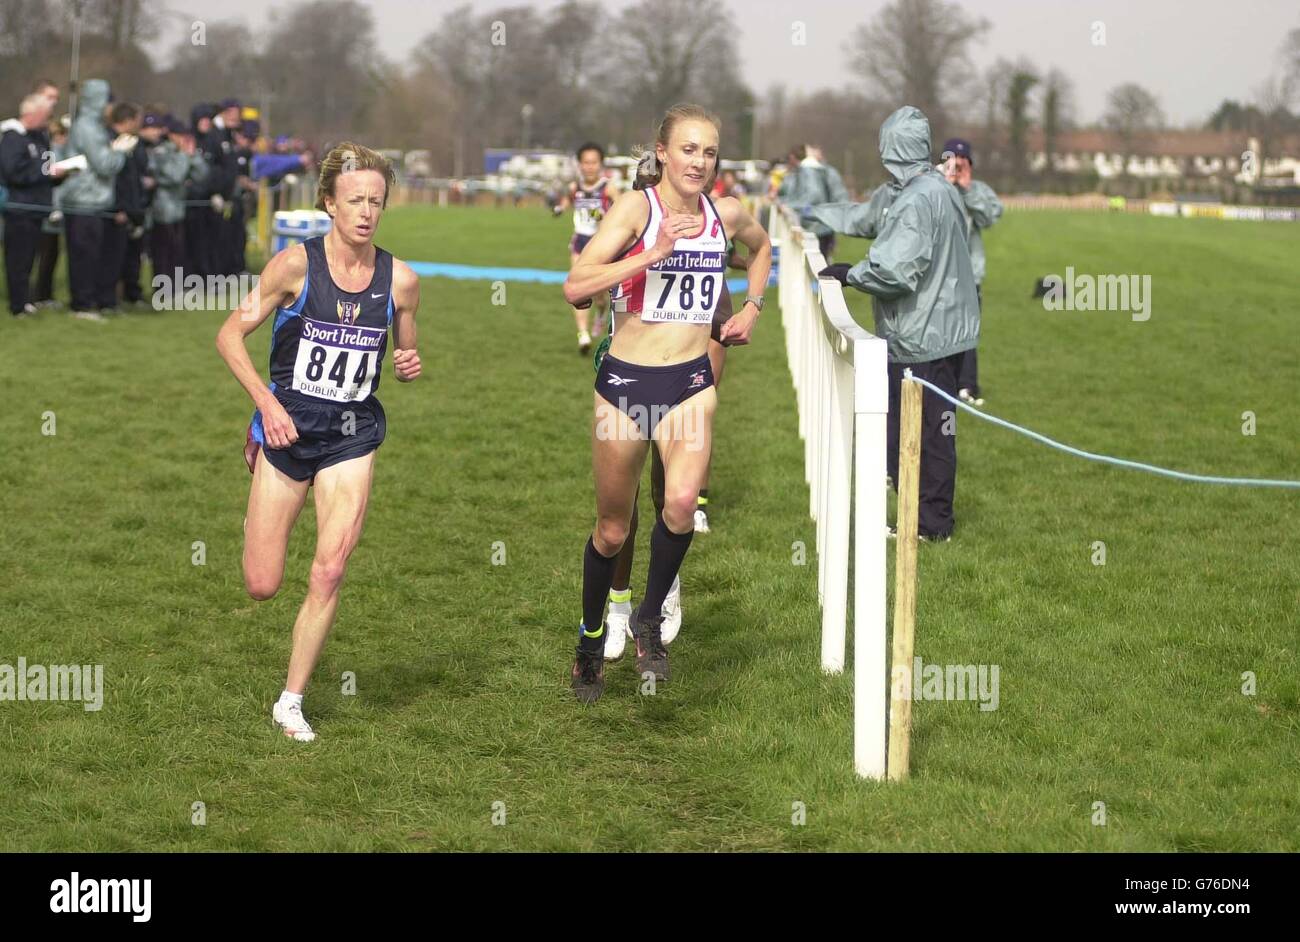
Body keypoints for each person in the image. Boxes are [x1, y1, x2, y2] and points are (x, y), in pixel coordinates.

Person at [562, 103, 771, 701]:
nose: (699, 162)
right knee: (611, 528)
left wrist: (753, 306)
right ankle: (591, 636)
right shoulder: (636, 208)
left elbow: (762, 250)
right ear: (661, 152)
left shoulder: (726, 213)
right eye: (688, 149)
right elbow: (576, 285)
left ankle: (650, 620)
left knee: (680, 504)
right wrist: (650, 254)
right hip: (626, 384)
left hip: (688, 383)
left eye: (708, 151)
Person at [215, 142, 422, 742]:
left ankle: (291, 700)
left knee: (329, 570)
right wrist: (266, 405)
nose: (366, 211)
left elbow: (407, 346)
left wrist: (408, 361)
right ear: (329, 203)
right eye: (355, 199)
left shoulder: (401, 280)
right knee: (262, 584)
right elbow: (230, 336)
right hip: (287, 427)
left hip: (352, 435)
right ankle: (261, 461)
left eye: (376, 201)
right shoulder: (292, 267)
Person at [814, 106, 978, 542]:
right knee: (928, 433)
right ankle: (921, 519)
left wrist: (851, 274)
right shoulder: (931, 188)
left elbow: (895, 271)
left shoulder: (917, 198)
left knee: (927, 436)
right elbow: (870, 221)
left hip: (924, 334)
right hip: (940, 331)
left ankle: (930, 525)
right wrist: (819, 214)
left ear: (892, 150)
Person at [58, 78, 132, 321]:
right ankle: (82, 305)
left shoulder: (93, 125)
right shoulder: (88, 127)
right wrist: (120, 152)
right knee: (84, 256)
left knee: (91, 255)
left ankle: (88, 302)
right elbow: (104, 165)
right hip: (83, 200)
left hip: (92, 200)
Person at [939, 137, 1002, 407]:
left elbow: (989, 217)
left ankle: (966, 385)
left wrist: (967, 191)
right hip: (939, 274)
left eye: (962, 164)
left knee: (966, 332)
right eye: (952, 162)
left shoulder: (978, 190)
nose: (957, 168)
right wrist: (945, 184)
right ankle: (942, 383)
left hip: (969, 275)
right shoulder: (933, 187)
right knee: (939, 332)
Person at [0, 93, 63, 316]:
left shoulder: (40, 137)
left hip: (38, 206)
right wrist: (46, 172)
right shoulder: (13, 138)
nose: (47, 120)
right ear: (31, 114)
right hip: (19, 207)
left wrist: (60, 174)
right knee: (17, 258)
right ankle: (17, 304)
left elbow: (44, 167)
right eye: (45, 116)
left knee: (30, 258)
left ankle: (26, 300)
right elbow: (12, 171)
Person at [556, 142, 617, 355]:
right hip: (580, 242)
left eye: (593, 162)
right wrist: (560, 208)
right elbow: (567, 200)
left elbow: (622, 211)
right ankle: (583, 334)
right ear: (580, 165)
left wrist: (603, 216)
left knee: (599, 295)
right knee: (578, 287)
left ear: (600, 164)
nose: (589, 167)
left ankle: (600, 312)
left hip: (601, 245)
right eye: (585, 162)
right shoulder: (576, 187)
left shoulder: (608, 187)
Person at [148, 116, 208, 290]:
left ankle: (175, 287)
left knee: (177, 251)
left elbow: (201, 176)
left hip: (178, 208)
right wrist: (184, 156)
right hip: (162, 208)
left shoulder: (182, 152)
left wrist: (193, 156)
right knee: (163, 253)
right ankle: (163, 290)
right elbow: (175, 176)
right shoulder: (161, 152)